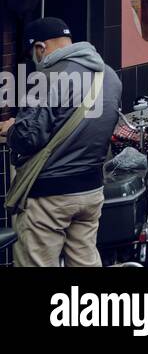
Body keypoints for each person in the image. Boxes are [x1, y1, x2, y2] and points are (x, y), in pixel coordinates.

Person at [0, 17, 124, 267]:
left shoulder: (47, 78)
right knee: (84, 261)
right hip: (90, 191)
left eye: (31, 54)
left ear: (40, 48)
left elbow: (28, 137)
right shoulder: (110, 76)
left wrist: (10, 129)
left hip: (49, 196)